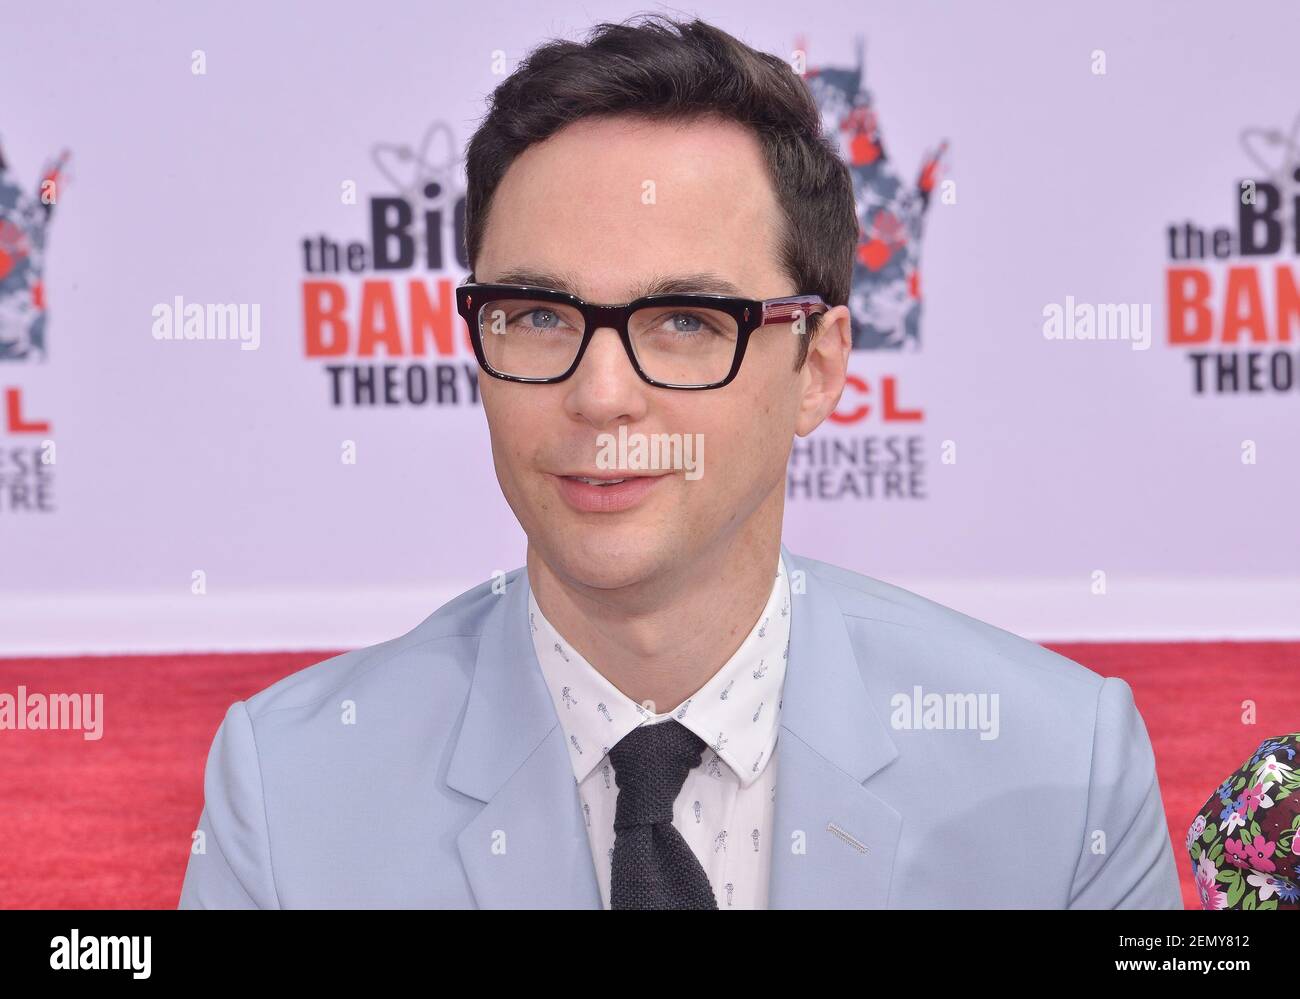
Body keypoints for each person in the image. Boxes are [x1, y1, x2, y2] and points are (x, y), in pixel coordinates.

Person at [178, 14, 1182, 909]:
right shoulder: (292, 789)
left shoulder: (1059, 772)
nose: (601, 394)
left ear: (817, 369)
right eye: (535, 315)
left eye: (685, 322)